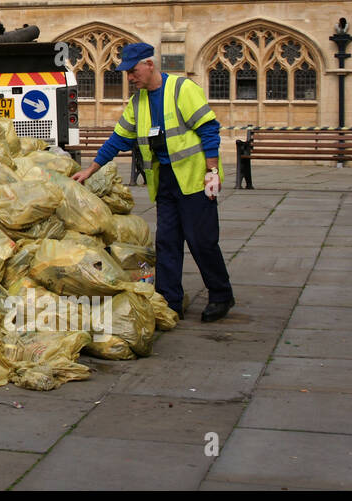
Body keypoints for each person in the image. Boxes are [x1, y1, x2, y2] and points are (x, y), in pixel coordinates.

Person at [72, 42, 235, 322]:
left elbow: (209, 129)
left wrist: (212, 171)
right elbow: (118, 139)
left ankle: (221, 296)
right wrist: (91, 169)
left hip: (195, 179)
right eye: (126, 74)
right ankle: (170, 300)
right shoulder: (138, 103)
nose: (130, 79)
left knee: (202, 242)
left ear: (149, 65)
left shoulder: (182, 90)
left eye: (133, 72)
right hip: (165, 182)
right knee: (166, 243)